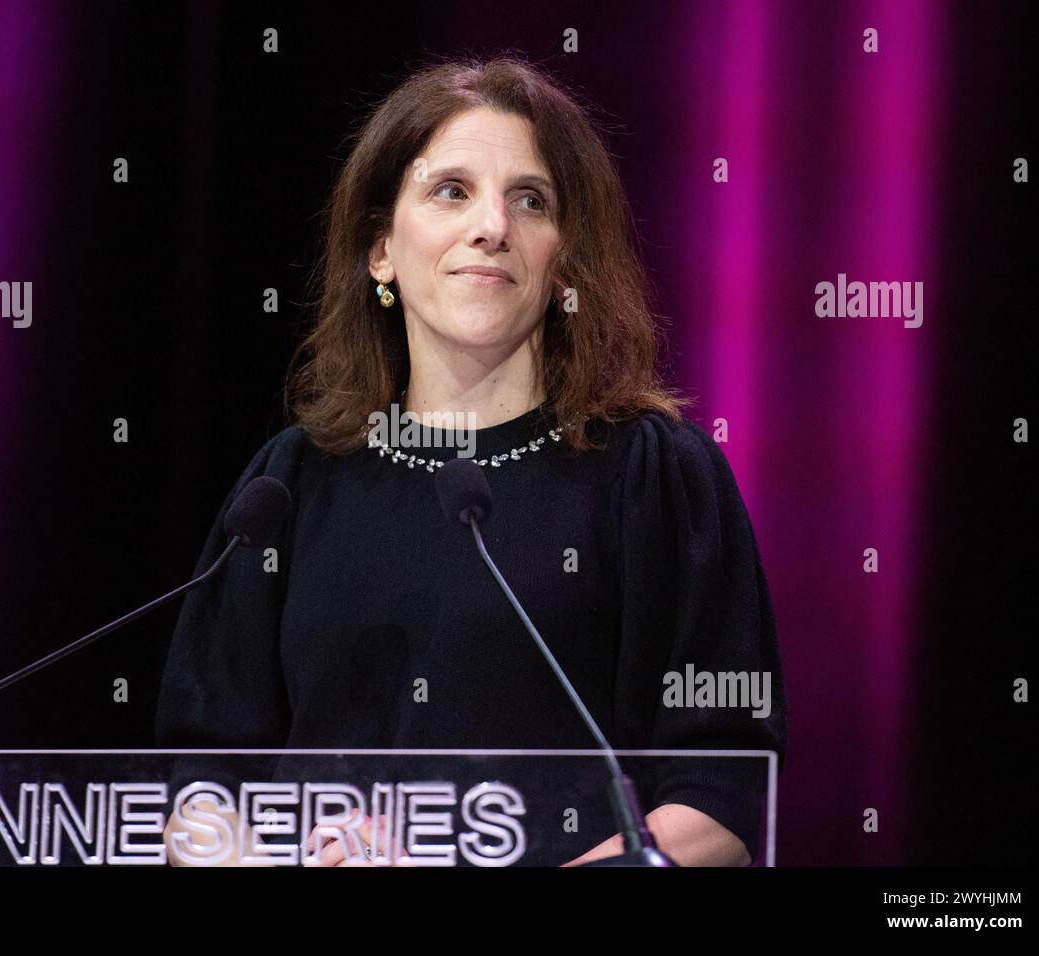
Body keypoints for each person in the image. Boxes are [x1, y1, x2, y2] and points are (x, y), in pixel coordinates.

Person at [156, 56, 787, 867]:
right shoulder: (290, 484)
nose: (493, 225)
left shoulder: (656, 477)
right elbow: (200, 780)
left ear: (564, 260)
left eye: (531, 200)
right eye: (451, 190)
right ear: (380, 249)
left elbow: (724, 796)